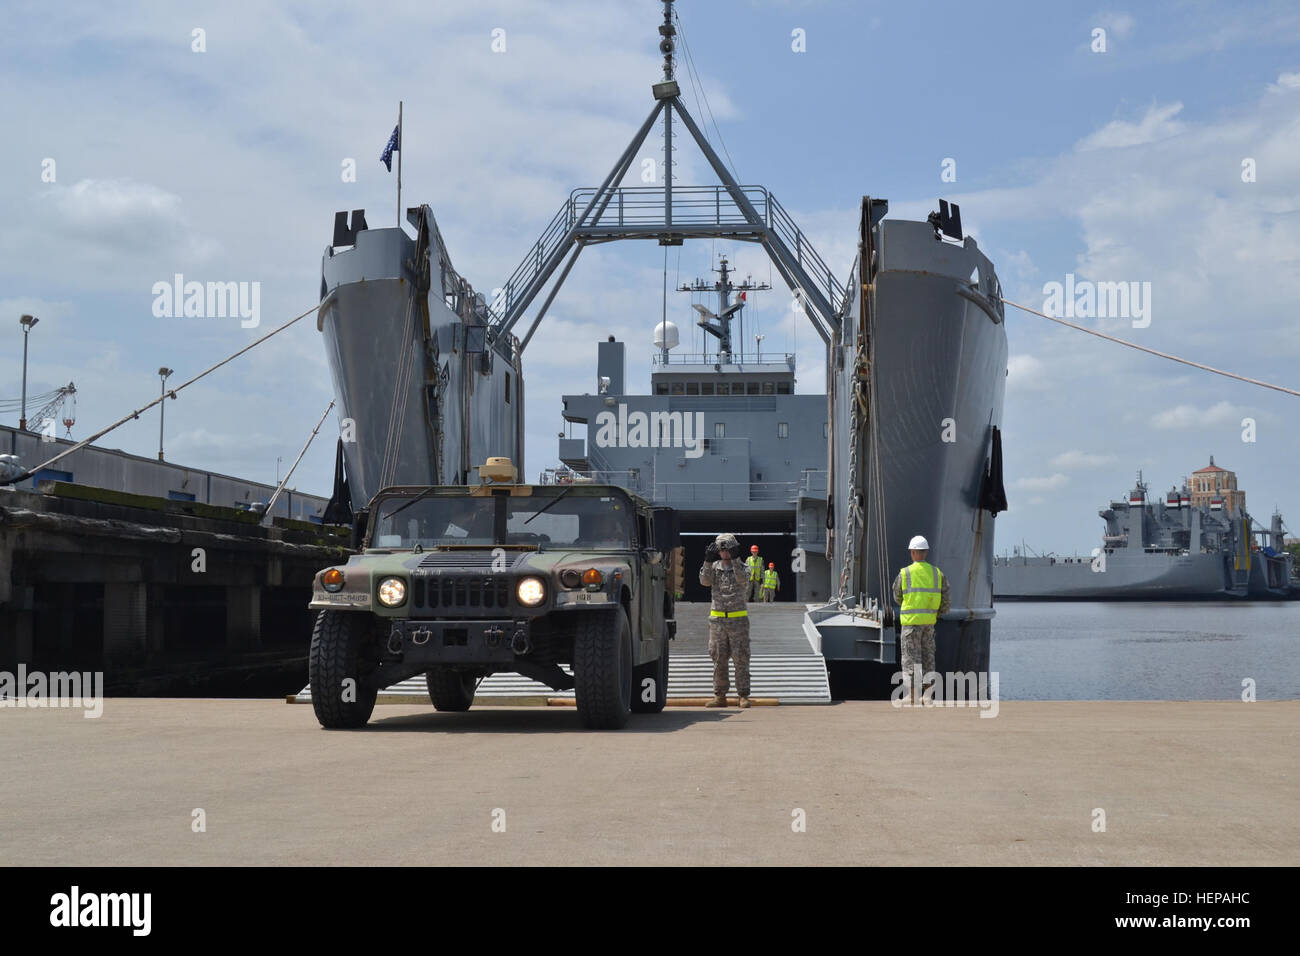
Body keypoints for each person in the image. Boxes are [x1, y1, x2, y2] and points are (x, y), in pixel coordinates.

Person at [892, 535, 950, 706]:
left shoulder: (905, 573)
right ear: (925, 553)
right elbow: (946, 599)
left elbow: (897, 596)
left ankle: (911, 696)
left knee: (911, 658)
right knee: (928, 658)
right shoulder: (937, 573)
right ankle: (927, 696)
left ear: (913, 553)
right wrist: (936, 614)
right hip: (929, 624)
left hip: (911, 623)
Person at [700, 532, 751, 708]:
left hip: (738, 622)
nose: (724, 552)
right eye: (721, 549)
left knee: (741, 658)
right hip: (717, 622)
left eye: (728, 549)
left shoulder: (743, 567)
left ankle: (743, 695)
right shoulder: (713, 567)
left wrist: (735, 559)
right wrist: (707, 560)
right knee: (718, 659)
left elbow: (742, 579)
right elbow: (704, 582)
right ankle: (719, 696)